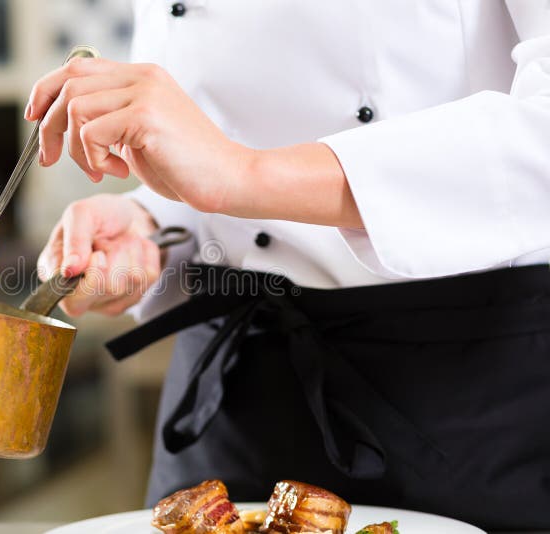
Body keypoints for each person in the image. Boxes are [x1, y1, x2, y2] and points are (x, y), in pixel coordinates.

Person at [27, 1, 550, 529]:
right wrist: (153, 226)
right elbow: (212, 142)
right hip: (229, 403)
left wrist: (244, 174)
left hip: (455, 403)